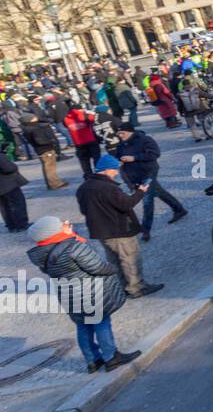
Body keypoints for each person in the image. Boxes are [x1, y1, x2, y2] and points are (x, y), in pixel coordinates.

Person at [26, 215, 141, 373]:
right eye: (61, 224)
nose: (66, 224)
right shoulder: (74, 247)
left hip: (68, 294)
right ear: (53, 231)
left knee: (83, 326)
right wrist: (114, 269)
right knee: (101, 322)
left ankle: (92, 361)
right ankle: (111, 357)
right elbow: (97, 267)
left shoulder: (40, 253)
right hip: (89, 292)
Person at [75, 154, 163, 299]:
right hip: (119, 231)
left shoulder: (83, 188)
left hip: (101, 233)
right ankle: (136, 288)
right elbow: (127, 204)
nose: (116, 172)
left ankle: (123, 287)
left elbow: (84, 210)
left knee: (114, 261)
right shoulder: (109, 188)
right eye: (114, 169)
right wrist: (141, 191)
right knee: (130, 258)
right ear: (106, 170)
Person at [115, 124, 187, 243]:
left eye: (122, 133)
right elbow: (118, 157)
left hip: (148, 173)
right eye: (118, 134)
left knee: (147, 201)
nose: (120, 136)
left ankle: (145, 230)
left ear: (130, 132)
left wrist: (134, 158)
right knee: (159, 192)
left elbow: (155, 154)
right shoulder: (121, 144)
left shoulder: (145, 140)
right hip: (134, 176)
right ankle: (179, 209)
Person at [21, 113, 68, 190]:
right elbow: (40, 140)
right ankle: (54, 184)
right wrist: (50, 141)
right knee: (50, 167)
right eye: (33, 118)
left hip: (42, 149)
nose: (36, 118)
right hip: (45, 149)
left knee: (49, 166)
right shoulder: (34, 129)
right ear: (29, 120)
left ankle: (54, 182)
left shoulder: (28, 128)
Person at [63, 102, 101, 178]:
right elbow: (94, 118)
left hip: (78, 143)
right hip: (90, 140)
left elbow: (65, 125)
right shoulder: (84, 115)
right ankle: (99, 173)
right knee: (96, 158)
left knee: (84, 161)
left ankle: (88, 175)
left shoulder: (65, 119)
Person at [178, 72, 213, 142]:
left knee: (192, 125)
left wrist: (180, 112)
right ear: (190, 84)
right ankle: (209, 134)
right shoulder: (196, 90)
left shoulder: (180, 93)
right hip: (199, 108)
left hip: (188, 111)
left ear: (183, 85)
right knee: (204, 121)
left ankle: (197, 137)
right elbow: (205, 95)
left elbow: (179, 104)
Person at [0, 149, 29, 233]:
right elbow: (9, 168)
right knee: (18, 203)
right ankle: (22, 224)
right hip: (8, 183)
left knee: (4, 206)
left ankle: (11, 225)